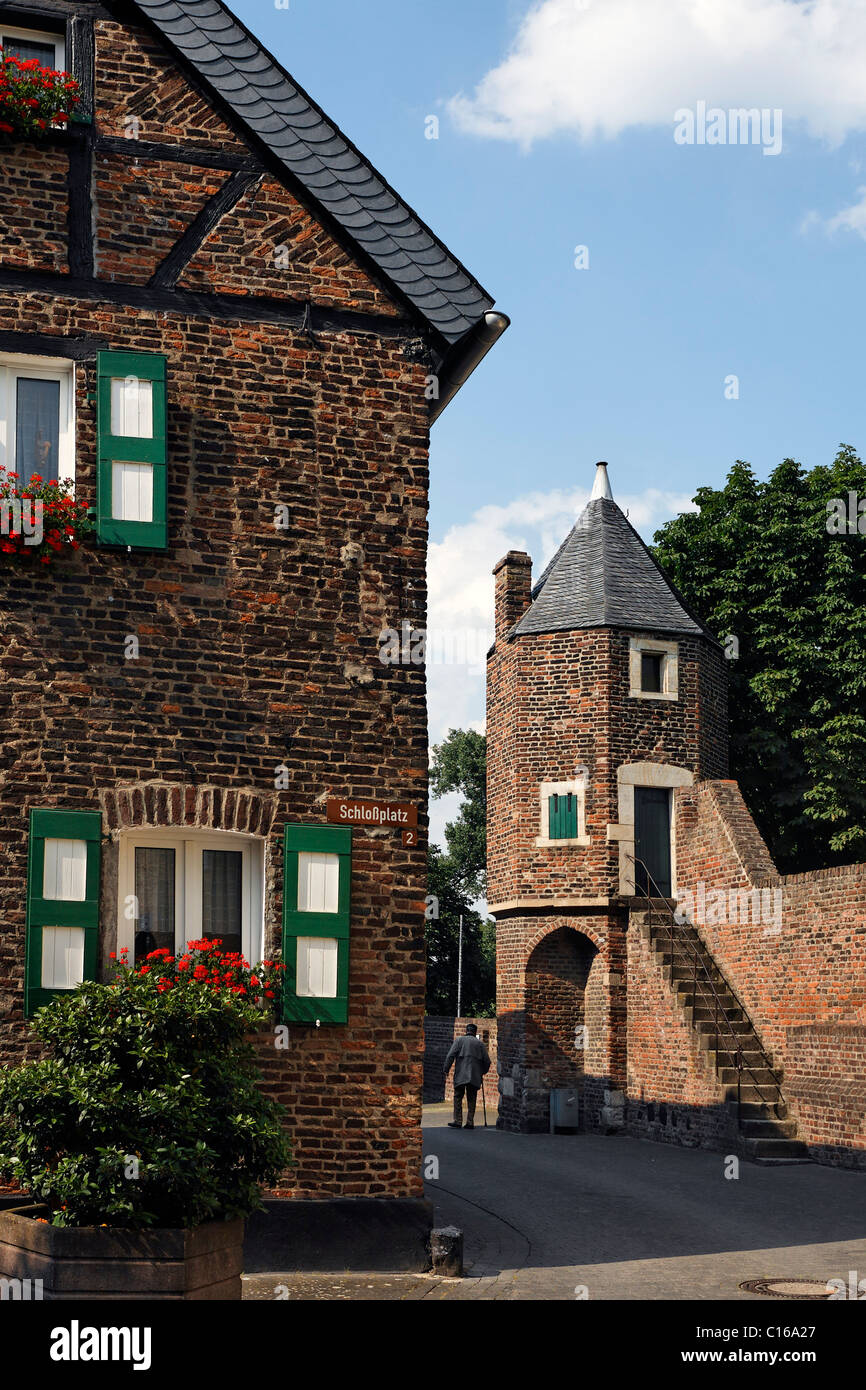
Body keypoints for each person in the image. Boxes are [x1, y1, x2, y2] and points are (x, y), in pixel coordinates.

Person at [444, 1023, 491, 1129]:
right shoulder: (480, 1044)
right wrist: (482, 1072)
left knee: (458, 1097)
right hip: (474, 1075)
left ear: (466, 1031)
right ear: (475, 1032)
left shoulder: (459, 1041)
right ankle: (470, 1122)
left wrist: (446, 1069)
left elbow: (450, 1056)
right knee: (472, 1098)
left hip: (461, 1073)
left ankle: (458, 1120)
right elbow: (487, 1061)